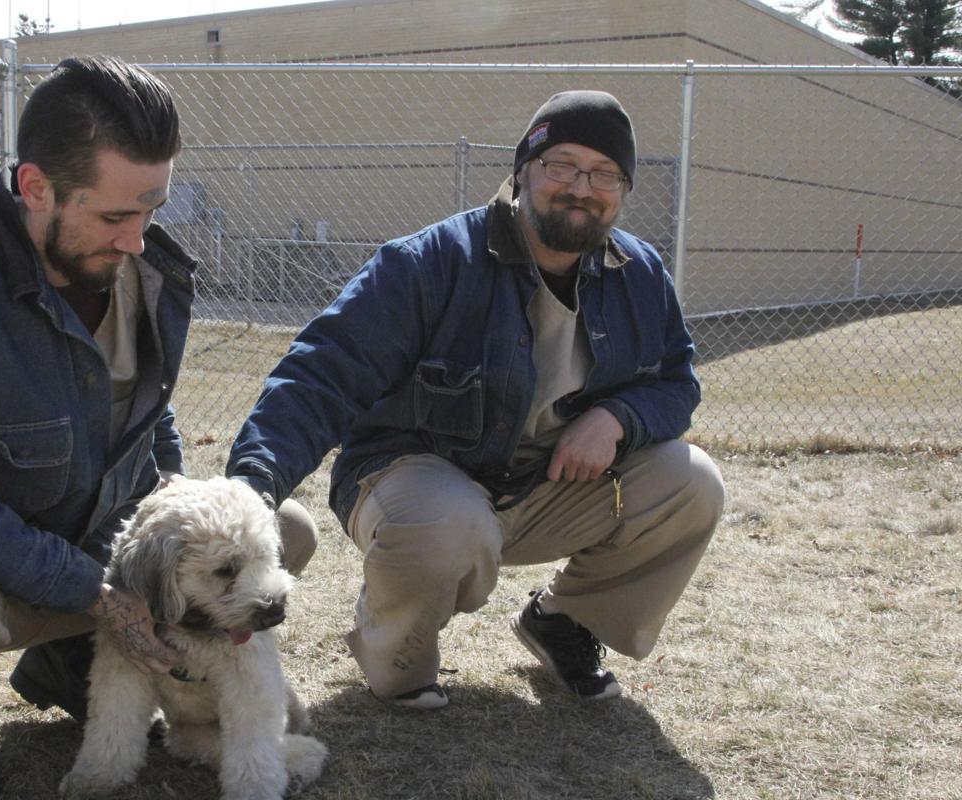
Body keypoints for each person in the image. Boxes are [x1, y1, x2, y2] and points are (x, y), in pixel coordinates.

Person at [0, 55, 317, 800]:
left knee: (284, 526)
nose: (137, 239)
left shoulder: (139, 269)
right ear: (36, 187)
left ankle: (67, 660)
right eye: (115, 215)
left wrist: (176, 495)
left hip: (93, 553)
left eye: (153, 208)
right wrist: (96, 593)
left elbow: (146, 414)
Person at [227, 90, 724, 710]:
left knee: (692, 481)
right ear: (523, 171)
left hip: (543, 486)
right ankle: (398, 654)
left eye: (604, 174)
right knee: (446, 523)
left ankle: (567, 621)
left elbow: (677, 384)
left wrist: (617, 418)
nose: (581, 187)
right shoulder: (428, 264)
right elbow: (320, 377)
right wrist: (250, 489)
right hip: (417, 480)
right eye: (561, 165)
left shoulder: (640, 274)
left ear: (622, 190)